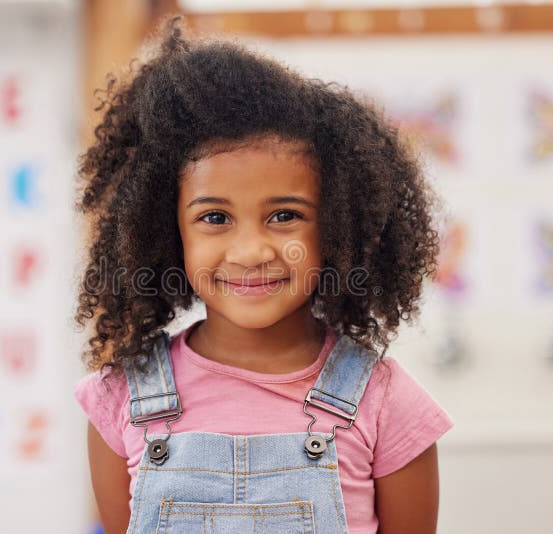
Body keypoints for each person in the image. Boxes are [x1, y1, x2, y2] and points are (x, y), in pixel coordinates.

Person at [73, 16, 453, 534]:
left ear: (339, 226)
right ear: (166, 229)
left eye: (284, 216)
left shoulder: (388, 404)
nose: (250, 251)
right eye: (214, 218)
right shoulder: (119, 399)